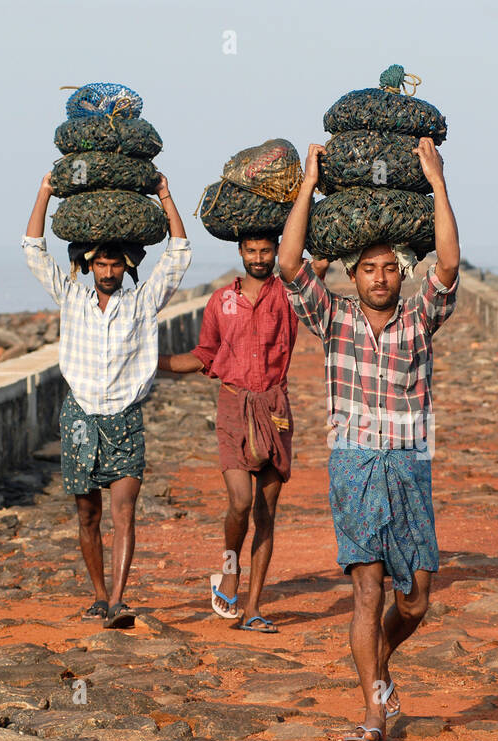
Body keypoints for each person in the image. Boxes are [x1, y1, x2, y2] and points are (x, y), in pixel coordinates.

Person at [278, 138, 460, 741]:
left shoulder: (419, 317)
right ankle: (373, 711)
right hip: (354, 465)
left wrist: (435, 183)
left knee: (415, 600)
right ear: (351, 275)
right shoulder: (332, 320)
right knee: (366, 590)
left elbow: (449, 267)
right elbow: (288, 265)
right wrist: (308, 182)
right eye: (368, 269)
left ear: (399, 274)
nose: (380, 278)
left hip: (409, 466)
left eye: (389, 269)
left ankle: (380, 662)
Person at [22, 170, 191, 628]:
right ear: (89, 266)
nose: (109, 272)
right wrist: (45, 191)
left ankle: (118, 600)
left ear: (126, 267)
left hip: (125, 419)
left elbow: (179, 254)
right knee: (87, 514)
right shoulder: (71, 297)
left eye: (116, 265)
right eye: (102, 265)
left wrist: (165, 195)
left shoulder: (143, 302)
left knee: (125, 513)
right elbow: (33, 250)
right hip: (79, 418)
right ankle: (99, 595)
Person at [158, 235, 325, 632]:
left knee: (266, 513)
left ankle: (252, 608)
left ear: (277, 251)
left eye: (266, 251)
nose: (259, 258)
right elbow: (204, 354)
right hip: (233, 407)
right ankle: (229, 568)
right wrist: (149, 360)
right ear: (240, 253)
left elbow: (321, 260)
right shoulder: (221, 301)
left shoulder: (291, 294)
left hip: (274, 409)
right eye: (251, 251)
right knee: (240, 501)